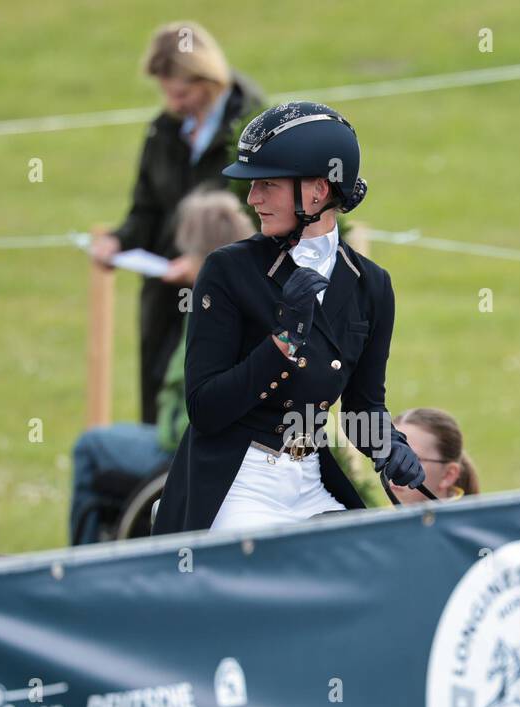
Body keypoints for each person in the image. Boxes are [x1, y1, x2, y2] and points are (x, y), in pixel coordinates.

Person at [151, 102, 426, 535]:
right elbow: (205, 408)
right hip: (238, 479)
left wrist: (389, 445)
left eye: (267, 185)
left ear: (317, 191)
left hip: (309, 478)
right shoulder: (228, 271)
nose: (252, 199)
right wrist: (284, 340)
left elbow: (360, 405)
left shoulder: (371, 285)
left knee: (370, 559)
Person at [91, 21, 263, 425]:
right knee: (160, 404)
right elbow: (146, 208)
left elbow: (258, 213)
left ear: (207, 79)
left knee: (209, 401)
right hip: (164, 297)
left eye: (182, 92)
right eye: (167, 92)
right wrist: (118, 241)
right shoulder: (164, 129)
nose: (174, 102)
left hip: (226, 298)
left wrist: (205, 261)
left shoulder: (252, 127)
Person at [70, 190, 253, 544]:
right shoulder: (242, 296)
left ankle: (80, 559)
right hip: (211, 444)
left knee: (90, 446)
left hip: (179, 447)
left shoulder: (211, 310)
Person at [389, 407, 480, 503]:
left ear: (448, 475)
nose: (394, 470)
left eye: (411, 460)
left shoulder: (467, 517)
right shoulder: (383, 514)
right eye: (390, 456)